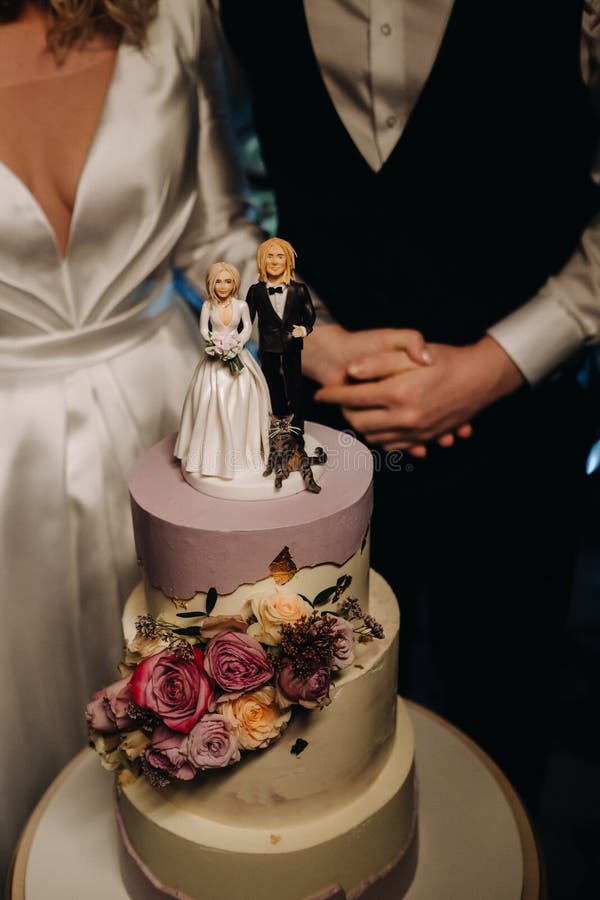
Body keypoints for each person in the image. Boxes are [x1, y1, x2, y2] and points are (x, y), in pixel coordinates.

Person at [214, 0, 600, 815]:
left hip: (521, 433)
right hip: (314, 428)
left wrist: (495, 365)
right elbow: (206, 197)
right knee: (306, 706)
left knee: (503, 700)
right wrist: (315, 341)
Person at [0, 0, 263, 881]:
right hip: (6, 470)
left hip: (173, 429)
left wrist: (323, 343)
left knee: (212, 724)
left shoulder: (172, 18)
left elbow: (217, 234)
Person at [174, 261, 271, 480]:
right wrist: (214, 343)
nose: (223, 286)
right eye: (219, 281)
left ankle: (243, 450)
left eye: (228, 281)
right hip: (215, 361)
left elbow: (247, 327)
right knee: (210, 398)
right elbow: (203, 328)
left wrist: (237, 343)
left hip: (239, 358)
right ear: (211, 283)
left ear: (234, 283)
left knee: (245, 395)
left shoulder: (241, 306)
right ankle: (209, 456)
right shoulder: (209, 306)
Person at [246, 237, 316, 433]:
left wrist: (304, 329)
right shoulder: (255, 291)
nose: (275, 261)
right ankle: (276, 422)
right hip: (268, 346)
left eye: (280, 256)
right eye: (270, 256)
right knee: (270, 383)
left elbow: (309, 314)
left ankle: (297, 428)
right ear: (261, 260)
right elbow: (247, 318)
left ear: (288, 261)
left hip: (292, 344)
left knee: (294, 384)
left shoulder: (299, 290)